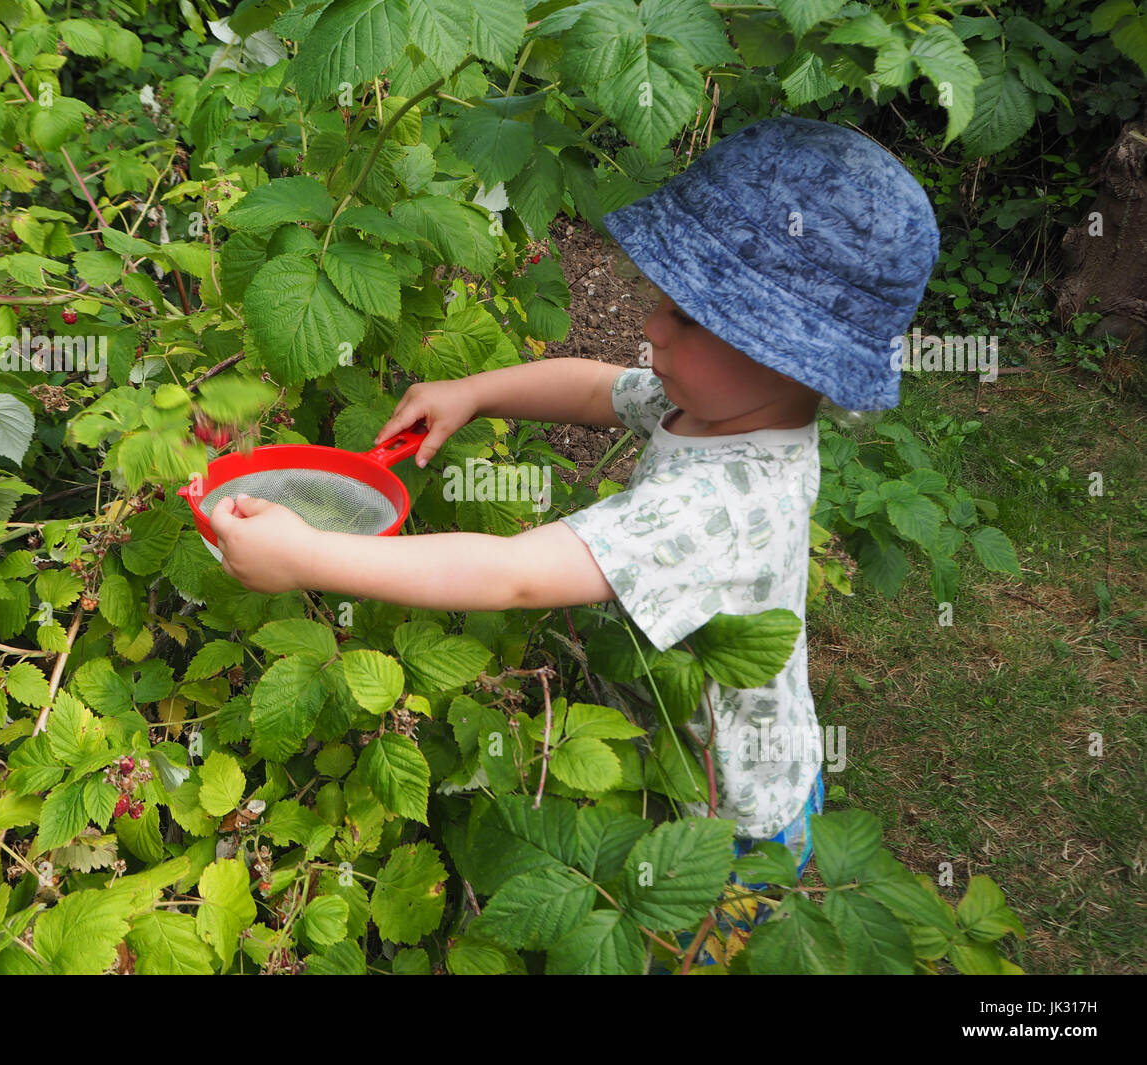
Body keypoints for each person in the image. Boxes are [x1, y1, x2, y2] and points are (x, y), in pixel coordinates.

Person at [208, 114, 940, 950]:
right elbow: (598, 388)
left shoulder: (728, 503)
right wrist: (475, 390)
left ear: (787, 355)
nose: (655, 328)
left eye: (691, 317)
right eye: (666, 302)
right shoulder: (724, 403)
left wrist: (307, 552)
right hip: (716, 755)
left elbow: (516, 573)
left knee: (685, 954)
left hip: (729, 826)